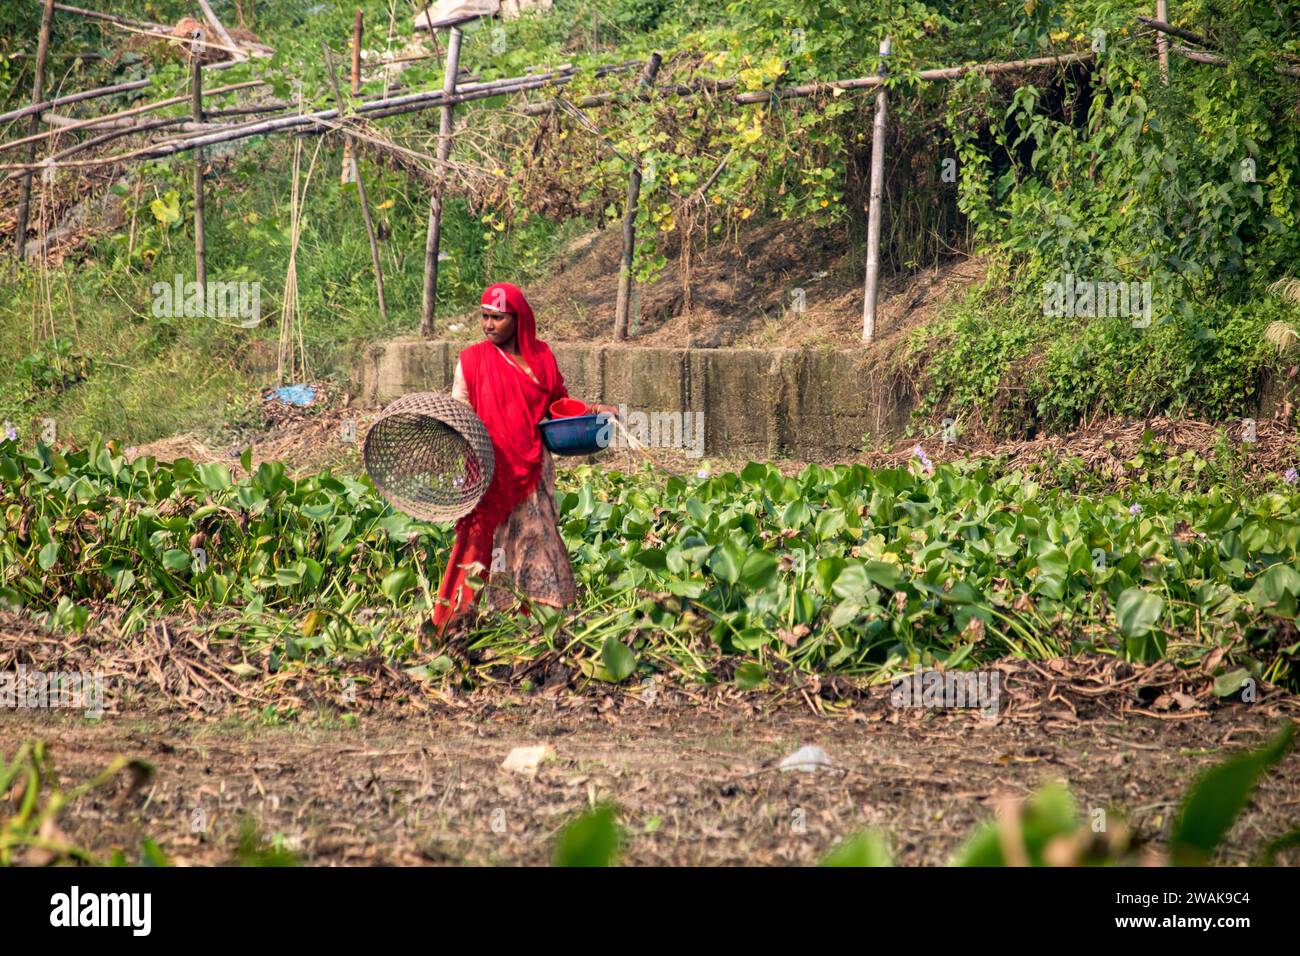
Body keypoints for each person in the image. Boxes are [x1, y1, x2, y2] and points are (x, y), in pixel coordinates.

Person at [432, 282, 608, 631]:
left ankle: (536, 617)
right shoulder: (471, 361)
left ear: (519, 319)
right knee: (481, 542)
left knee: (537, 536)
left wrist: (597, 410)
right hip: (488, 466)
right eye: (484, 317)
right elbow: (459, 413)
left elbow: (559, 406)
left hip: (531, 468)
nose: (489, 324)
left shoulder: (541, 358)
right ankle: (457, 618)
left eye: (497, 317)